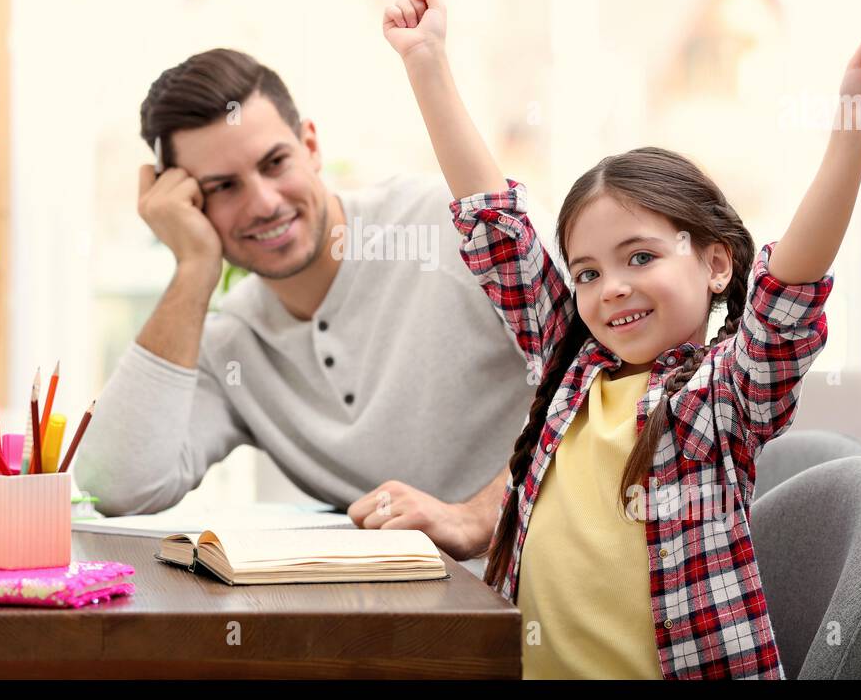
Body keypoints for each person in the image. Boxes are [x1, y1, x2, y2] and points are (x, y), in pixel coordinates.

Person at [382, 0, 861, 678]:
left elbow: (789, 290)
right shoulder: (569, 367)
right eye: (588, 273)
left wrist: (853, 136)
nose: (613, 288)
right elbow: (498, 230)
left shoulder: (714, 397)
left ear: (716, 262)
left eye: (640, 257)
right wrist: (427, 64)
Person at [75, 48, 535, 561]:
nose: (264, 202)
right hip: (411, 626)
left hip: (553, 601)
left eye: (275, 163)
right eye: (223, 187)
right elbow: (113, 485)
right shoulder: (234, 344)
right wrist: (193, 269)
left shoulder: (449, 228)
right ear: (190, 206)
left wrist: (479, 516)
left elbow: (604, 376)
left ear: (309, 145)